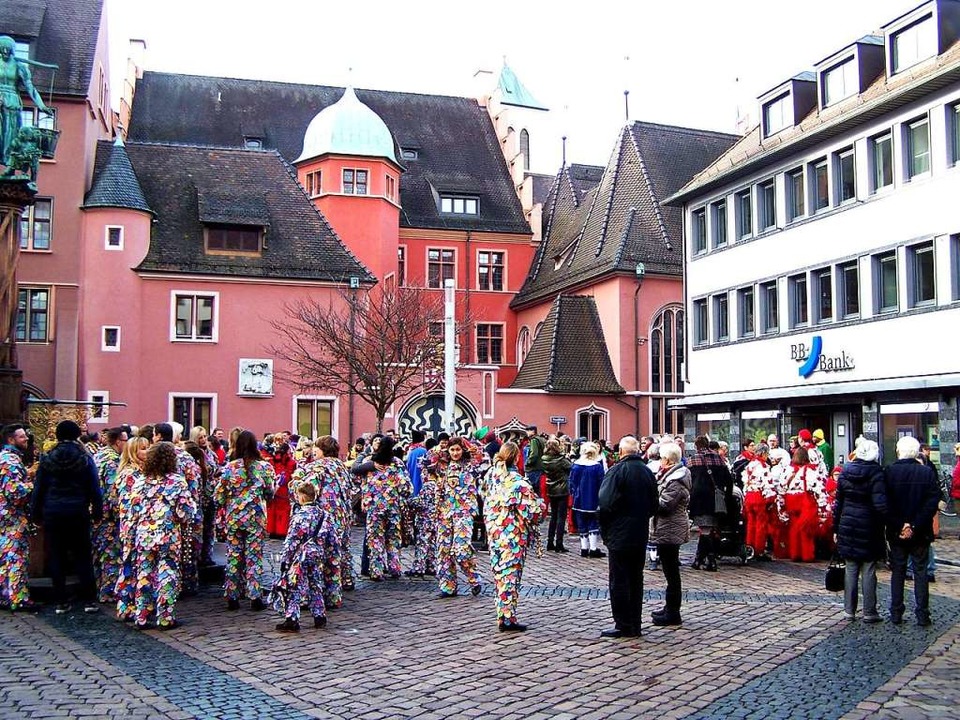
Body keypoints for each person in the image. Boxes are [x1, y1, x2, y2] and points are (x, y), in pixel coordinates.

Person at [32, 420, 102, 615]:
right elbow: (94, 487)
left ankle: (61, 601)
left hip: (53, 510)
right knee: (82, 554)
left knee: (56, 555)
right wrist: (97, 511)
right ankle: (89, 599)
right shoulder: (84, 456)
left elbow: (39, 488)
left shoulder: (47, 457)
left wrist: (35, 513)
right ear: (76, 435)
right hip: (77, 510)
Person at [128, 442, 197, 630]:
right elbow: (186, 510)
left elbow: (132, 510)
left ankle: (141, 615)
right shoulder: (176, 481)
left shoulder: (140, 481)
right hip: (168, 533)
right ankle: (165, 617)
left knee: (144, 572)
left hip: (144, 534)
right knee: (167, 572)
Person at [597, 436, 658, 638]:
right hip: (639, 531)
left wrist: (607, 524)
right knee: (636, 579)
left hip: (619, 532)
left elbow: (605, 503)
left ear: (621, 452)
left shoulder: (617, 471)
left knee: (619, 580)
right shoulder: (647, 471)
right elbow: (654, 504)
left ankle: (623, 624)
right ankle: (635, 623)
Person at [483, 442, 544, 632]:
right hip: (513, 535)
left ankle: (503, 614)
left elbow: (483, 496)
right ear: (517, 458)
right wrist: (541, 506)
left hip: (494, 533)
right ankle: (507, 618)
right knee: (510, 575)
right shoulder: (518, 482)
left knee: (500, 574)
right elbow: (534, 512)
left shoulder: (491, 476)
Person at [216, 430, 276, 611]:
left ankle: (232, 595)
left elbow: (218, 496)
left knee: (234, 555)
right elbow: (269, 493)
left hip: (234, 517)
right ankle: (255, 596)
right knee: (254, 556)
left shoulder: (230, 467)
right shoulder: (264, 467)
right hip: (255, 517)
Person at [884, 436, 941, 626]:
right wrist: (914, 525)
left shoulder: (890, 472)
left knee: (898, 571)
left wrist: (901, 525)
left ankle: (896, 612)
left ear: (899, 451)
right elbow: (932, 501)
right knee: (920, 571)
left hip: (897, 531)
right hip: (921, 530)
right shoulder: (926, 473)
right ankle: (922, 613)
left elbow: (885, 504)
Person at [834, 439, 887, 623]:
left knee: (850, 568)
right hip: (869, 525)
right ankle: (869, 611)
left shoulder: (845, 471)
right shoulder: (876, 473)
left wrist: (836, 527)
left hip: (847, 523)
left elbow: (838, 503)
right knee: (869, 568)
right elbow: (880, 505)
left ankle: (849, 610)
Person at [273, 482, 337, 633]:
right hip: (317, 554)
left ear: (301, 496)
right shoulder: (324, 515)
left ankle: (292, 619)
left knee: (294, 586)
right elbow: (333, 538)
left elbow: (292, 540)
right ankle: (319, 615)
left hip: (300, 556)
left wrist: (285, 560)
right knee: (315, 584)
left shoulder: (299, 516)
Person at [433, 437, 482, 598]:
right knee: (444, 550)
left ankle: (474, 578)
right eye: (452, 450)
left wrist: (465, 443)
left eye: (458, 449)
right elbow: (429, 458)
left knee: (461, 550)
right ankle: (448, 587)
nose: (455, 453)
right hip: (445, 513)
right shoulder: (442, 467)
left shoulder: (470, 467)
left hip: (463, 512)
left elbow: (481, 456)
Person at [649, 442, 691, 627]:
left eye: (662, 458)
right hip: (667, 527)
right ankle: (669, 607)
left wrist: (649, 499)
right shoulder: (671, 476)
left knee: (671, 571)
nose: (660, 461)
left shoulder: (676, 480)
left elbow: (665, 505)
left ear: (668, 459)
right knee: (669, 570)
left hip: (671, 527)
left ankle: (673, 612)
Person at [362, 437, 412, 582]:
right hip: (392, 507)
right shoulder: (397, 463)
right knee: (393, 538)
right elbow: (406, 487)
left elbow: (363, 483)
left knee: (375, 539)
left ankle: (376, 570)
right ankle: (394, 568)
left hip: (374, 507)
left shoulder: (370, 462)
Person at [0, 424, 36, 611]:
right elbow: (15, 492)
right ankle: (18, 598)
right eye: (22, 437)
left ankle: (6, 595)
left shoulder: (5, 458)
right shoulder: (11, 461)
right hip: (13, 518)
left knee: (6, 557)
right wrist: (32, 484)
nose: (26, 439)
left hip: (5, 517)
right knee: (16, 558)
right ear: (11, 440)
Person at [0, 35, 50, 167]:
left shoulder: (19, 66)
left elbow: (30, 88)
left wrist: (41, 105)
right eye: (2, 49)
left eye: (7, 49)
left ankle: (8, 161)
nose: (5, 52)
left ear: (12, 50)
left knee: (9, 133)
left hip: (12, 102)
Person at [114, 435, 149, 622]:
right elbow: (130, 504)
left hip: (141, 525)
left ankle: (134, 605)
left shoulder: (142, 471)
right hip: (133, 525)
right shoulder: (130, 474)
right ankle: (127, 605)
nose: (147, 451)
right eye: (143, 448)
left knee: (137, 566)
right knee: (131, 565)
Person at [687, 435, 733, 572]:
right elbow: (729, 481)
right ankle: (698, 559)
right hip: (716, 499)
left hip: (699, 500)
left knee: (705, 530)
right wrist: (727, 498)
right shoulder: (718, 459)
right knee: (707, 529)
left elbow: (688, 481)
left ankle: (712, 561)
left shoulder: (693, 460)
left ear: (696, 446)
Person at [92, 427, 127, 603]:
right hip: (108, 517)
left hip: (96, 513)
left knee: (99, 554)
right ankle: (109, 591)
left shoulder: (98, 455)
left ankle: (100, 587)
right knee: (111, 555)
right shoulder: (113, 460)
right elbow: (113, 492)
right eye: (125, 440)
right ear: (117, 441)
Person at [782, 447, 826, 562]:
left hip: (791, 500)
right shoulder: (809, 470)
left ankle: (795, 554)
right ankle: (807, 555)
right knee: (806, 529)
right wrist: (822, 504)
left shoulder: (788, 469)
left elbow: (782, 485)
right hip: (804, 500)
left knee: (794, 528)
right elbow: (817, 487)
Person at [570, 441, 606, 558]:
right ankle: (593, 548)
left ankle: (584, 548)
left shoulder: (576, 465)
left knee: (582, 522)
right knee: (593, 522)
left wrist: (574, 493)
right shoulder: (597, 466)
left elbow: (571, 483)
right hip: (593, 498)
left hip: (578, 498)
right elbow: (602, 484)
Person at [742, 443, 776, 560]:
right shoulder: (763, 466)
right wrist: (771, 499)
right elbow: (767, 485)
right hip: (759, 497)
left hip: (749, 496)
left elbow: (745, 481)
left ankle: (749, 546)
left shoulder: (750, 465)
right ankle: (759, 550)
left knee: (751, 523)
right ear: (763, 453)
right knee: (761, 524)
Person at [541, 439, 572, 553]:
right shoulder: (561, 459)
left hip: (551, 488)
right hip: (562, 489)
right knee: (561, 517)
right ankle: (559, 543)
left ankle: (550, 542)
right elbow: (570, 468)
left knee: (553, 516)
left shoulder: (544, 459)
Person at [524, 425, 545, 496]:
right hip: (541, 467)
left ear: (533, 431)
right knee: (538, 490)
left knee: (532, 490)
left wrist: (527, 463)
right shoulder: (541, 439)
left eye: (528, 430)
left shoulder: (534, 440)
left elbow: (534, 454)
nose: (526, 432)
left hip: (533, 468)